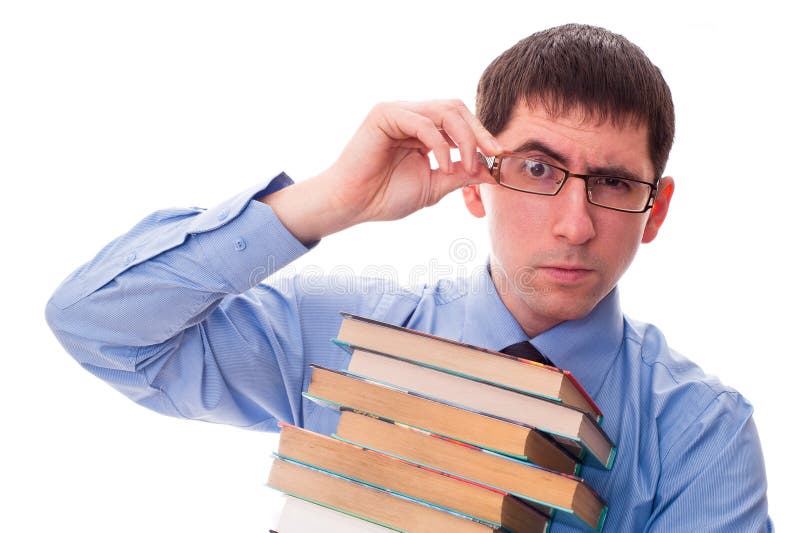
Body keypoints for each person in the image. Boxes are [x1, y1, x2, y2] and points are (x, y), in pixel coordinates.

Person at [46, 24, 771, 531]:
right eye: (538, 169)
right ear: (476, 180)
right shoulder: (335, 331)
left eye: (612, 182)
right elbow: (99, 325)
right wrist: (328, 198)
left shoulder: (702, 434)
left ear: (657, 208)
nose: (574, 225)